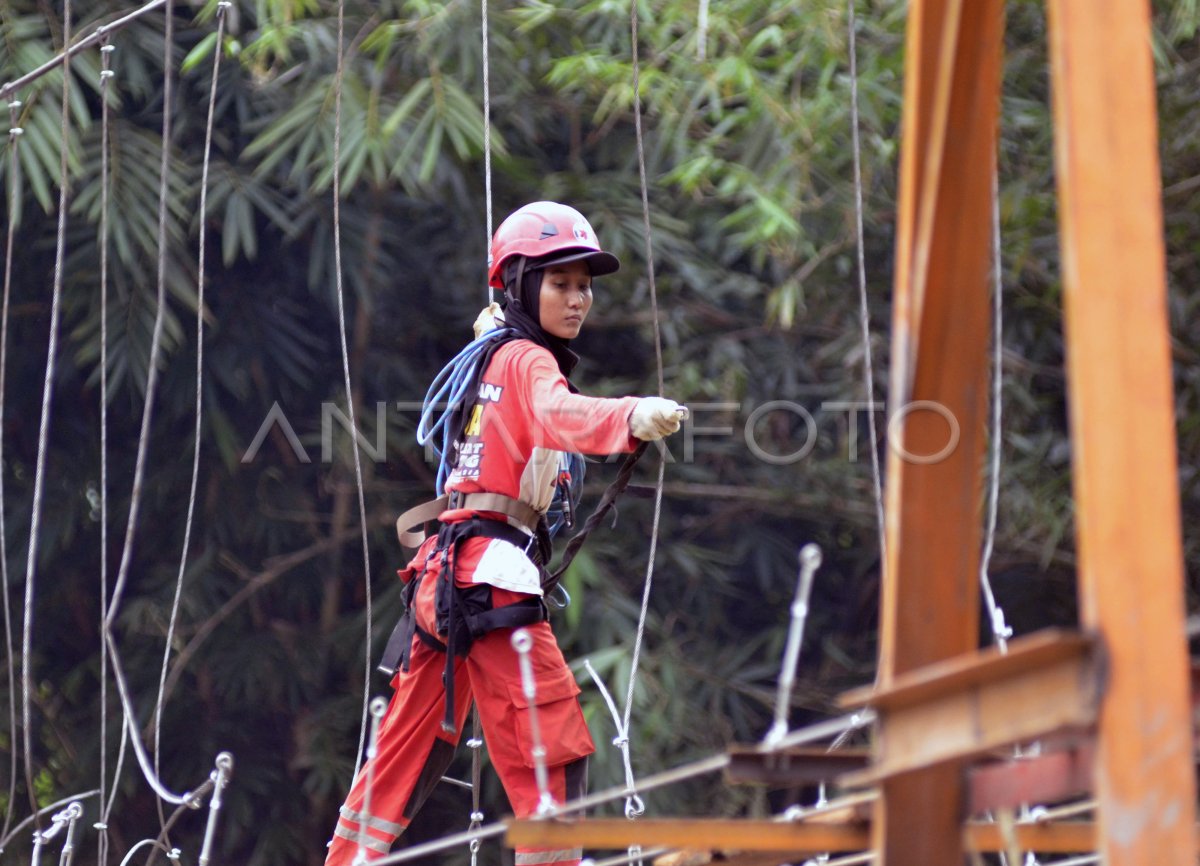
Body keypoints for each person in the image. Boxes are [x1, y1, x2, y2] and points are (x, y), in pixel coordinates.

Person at [325, 201, 684, 866]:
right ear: (519, 284)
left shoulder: (490, 354)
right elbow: (560, 413)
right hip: (490, 577)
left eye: (584, 286)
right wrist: (635, 414)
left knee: (404, 754)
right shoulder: (524, 359)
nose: (578, 299)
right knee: (551, 748)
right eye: (559, 283)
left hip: (446, 577)